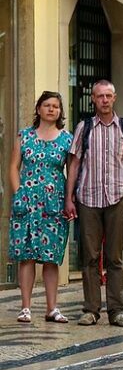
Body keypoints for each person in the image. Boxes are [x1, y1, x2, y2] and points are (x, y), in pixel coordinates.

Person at [64, 80, 123, 327]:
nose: (105, 100)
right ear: (93, 99)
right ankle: (91, 310)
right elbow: (74, 163)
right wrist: (70, 198)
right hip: (88, 198)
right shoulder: (84, 128)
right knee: (89, 256)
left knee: (114, 258)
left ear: (115, 97)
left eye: (108, 96)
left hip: (115, 199)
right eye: (100, 96)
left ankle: (117, 311)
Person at [8, 91, 73, 324]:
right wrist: (19, 194)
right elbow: (13, 167)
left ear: (60, 111)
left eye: (56, 106)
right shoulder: (24, 136)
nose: (51, 109)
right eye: (47, 105)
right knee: (26, 256)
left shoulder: (67, 139)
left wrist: (69, 199)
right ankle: (25, 307)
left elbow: (72, 172)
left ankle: (51, 307)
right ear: (38, 109)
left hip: (53, 204)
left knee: (51, 258)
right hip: (26, 204)